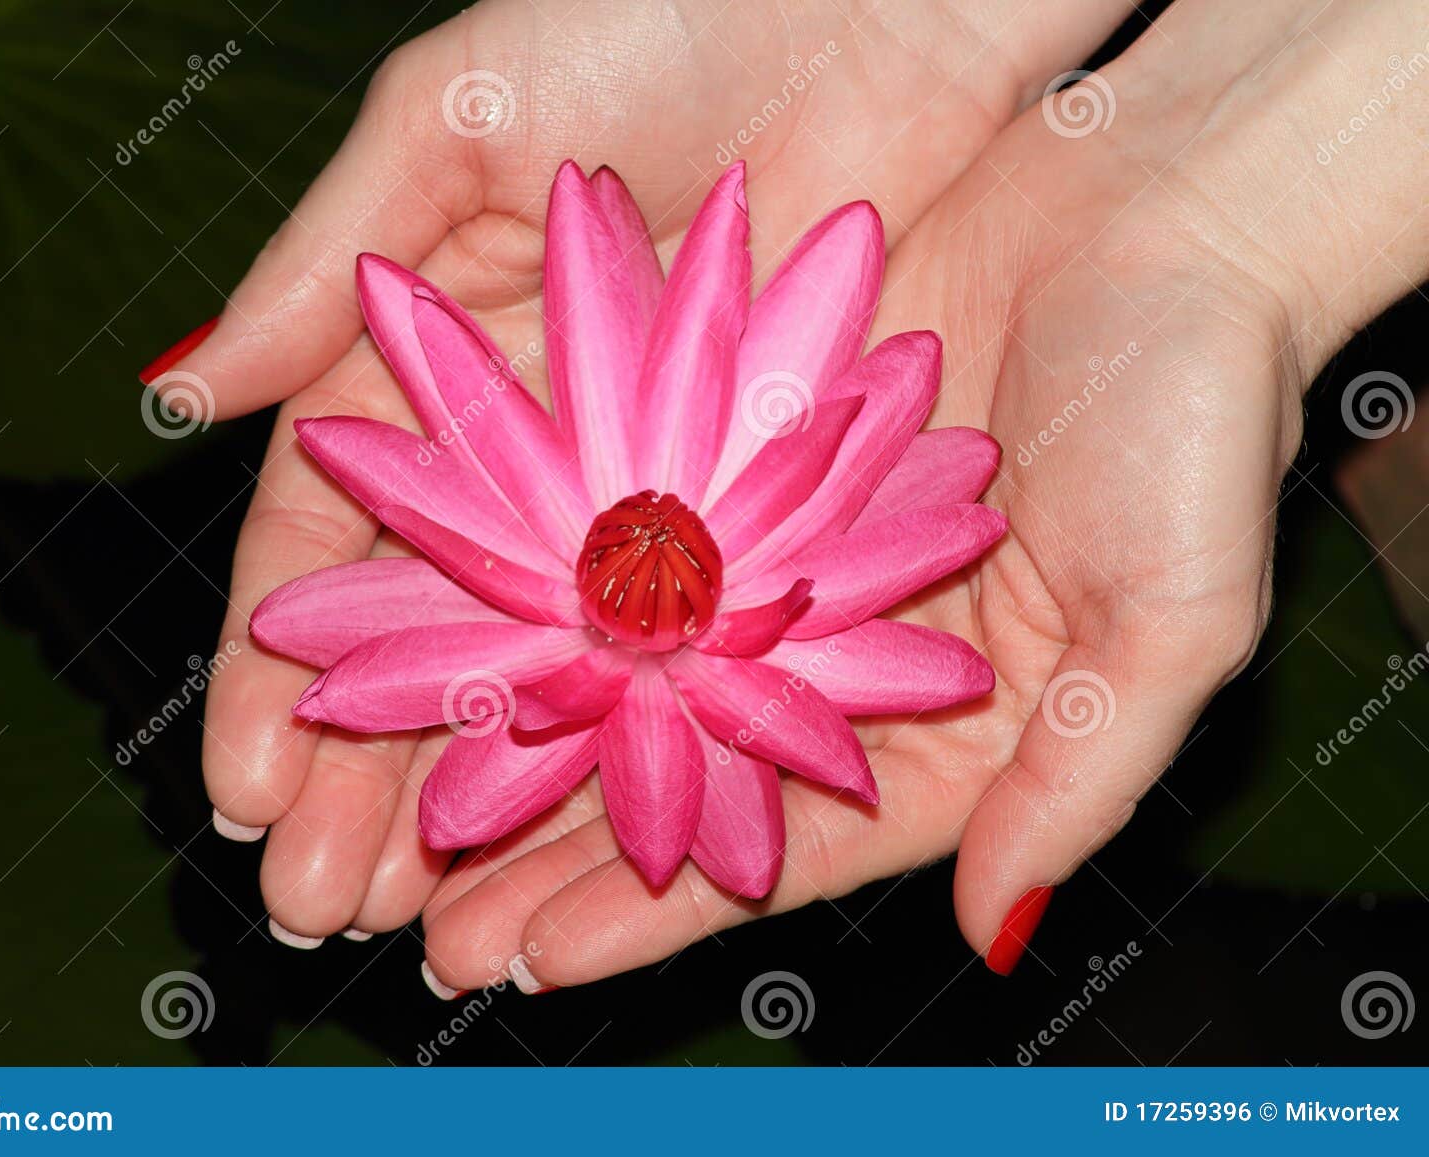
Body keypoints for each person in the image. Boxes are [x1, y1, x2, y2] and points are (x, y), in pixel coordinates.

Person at [149, 0, 1429, 992]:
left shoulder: (763, 557)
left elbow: (930, 472)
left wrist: (1235, 231)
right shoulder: (545, 592)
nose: (649, 557)